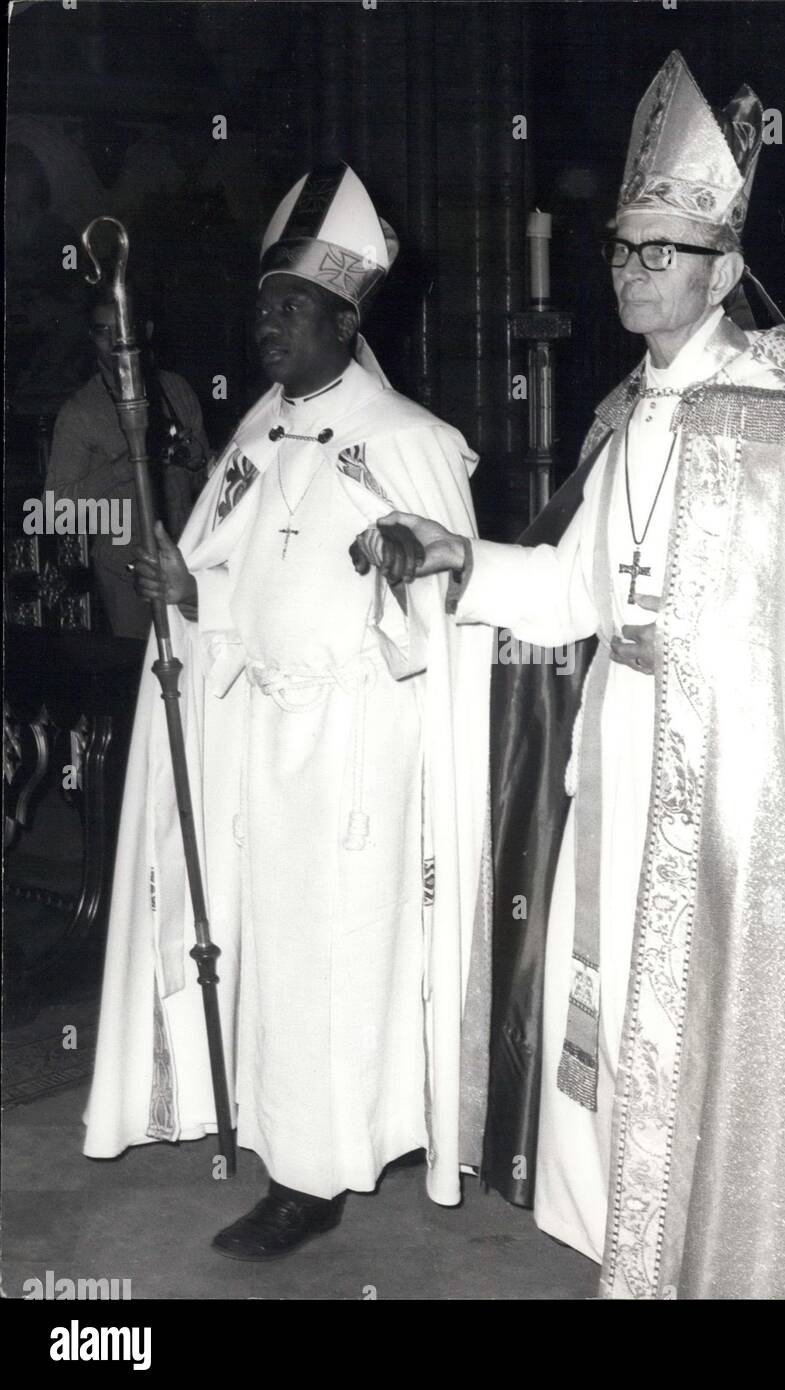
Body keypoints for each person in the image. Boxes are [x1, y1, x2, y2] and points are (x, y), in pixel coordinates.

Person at [355, 52, 785, 1299]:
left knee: (719, 1032)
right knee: (622, 1032)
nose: (629, 270)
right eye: (621, 247)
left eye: (658, 251)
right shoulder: (624, 415)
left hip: (736, 801)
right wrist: (462, 556)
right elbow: (573, 595)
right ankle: (644, 1254)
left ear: (721, 270)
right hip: (626, 771)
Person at [83, 163, 492, 1261]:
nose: (268, 325)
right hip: (258, 732)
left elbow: (449, 619)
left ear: (344, 317)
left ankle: (309, 1177)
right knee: (265, 946)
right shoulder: (261, 427)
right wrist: (189, 591)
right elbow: (241, 573)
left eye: (292, 308)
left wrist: (395, 592)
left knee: (329, 957)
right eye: (263, 306)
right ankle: (281, 1136)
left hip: (352, 747)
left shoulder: (407, 439)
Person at [45, 290, 210, 639]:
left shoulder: (177, 389)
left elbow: (206, 480)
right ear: (92, 337)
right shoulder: (80, 412)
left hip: (189, 565)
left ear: (145, 330)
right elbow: (57, 509)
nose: (115, 341)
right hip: (127, 576)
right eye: (103, 331)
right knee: (141, 677)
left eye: (123, 328)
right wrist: (122, 469)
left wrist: (192, 456)